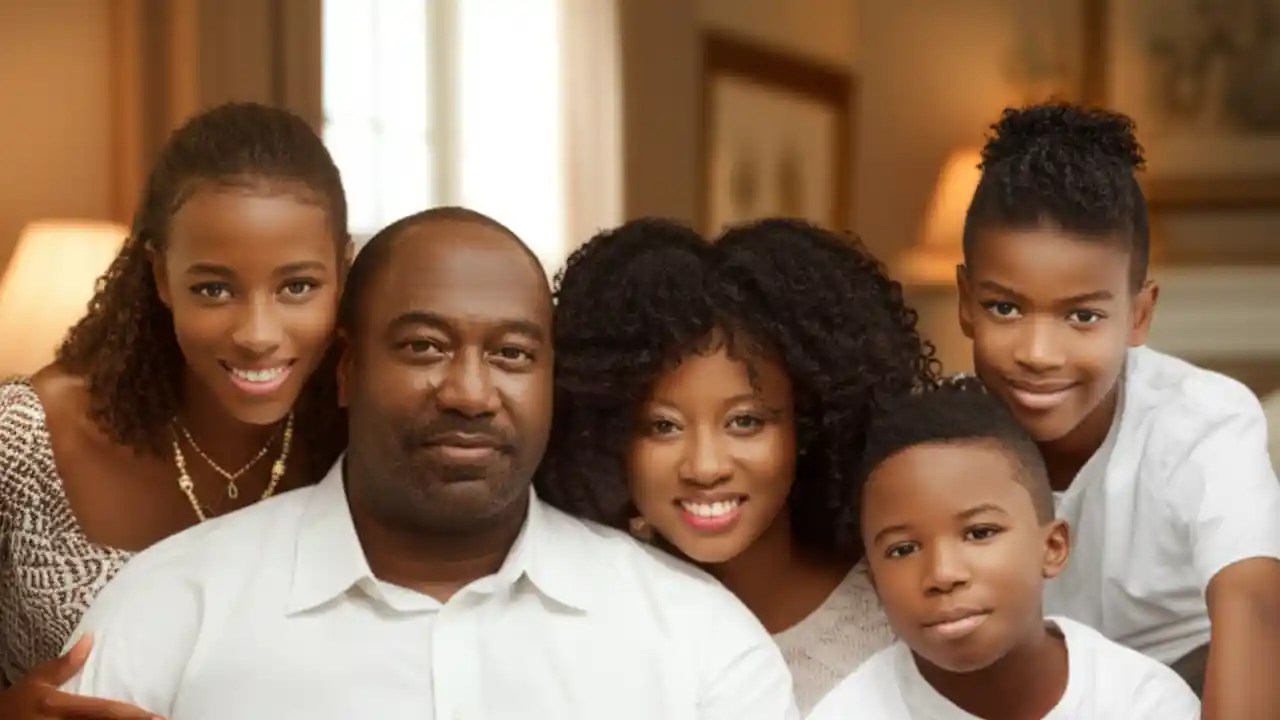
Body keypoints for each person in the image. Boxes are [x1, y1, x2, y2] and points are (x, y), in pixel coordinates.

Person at [57, 208, 799, 719]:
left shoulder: (696, 639)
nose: (471, 393)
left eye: (512, 354)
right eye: (423, 347)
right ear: (346, 371)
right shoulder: (170, 610)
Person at [0, 102, 349, 718]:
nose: (258, 334)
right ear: (161, 275)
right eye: (213, 289)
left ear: (342, 271)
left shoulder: (367, 444)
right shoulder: (25, 441)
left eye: (297, 286)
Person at [956, 101, 1280, 714]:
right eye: (1005, 308)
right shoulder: (935, 440)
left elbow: (1256, 607)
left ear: (1138, 315)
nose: (1039, 353)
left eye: (1083, 316)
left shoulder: (1203, 422)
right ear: (965, 301)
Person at [539, 217, 939, 714]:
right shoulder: (579, 618)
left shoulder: (905, 619)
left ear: (809, 423)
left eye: (745, 422)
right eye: (662, 426)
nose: (705, 467)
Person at [808, 383, 1200, 719]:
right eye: (903, 549)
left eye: (980, 533)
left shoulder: (1140, 702)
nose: (943, 574)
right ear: (874, 582)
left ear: (1053, 547)